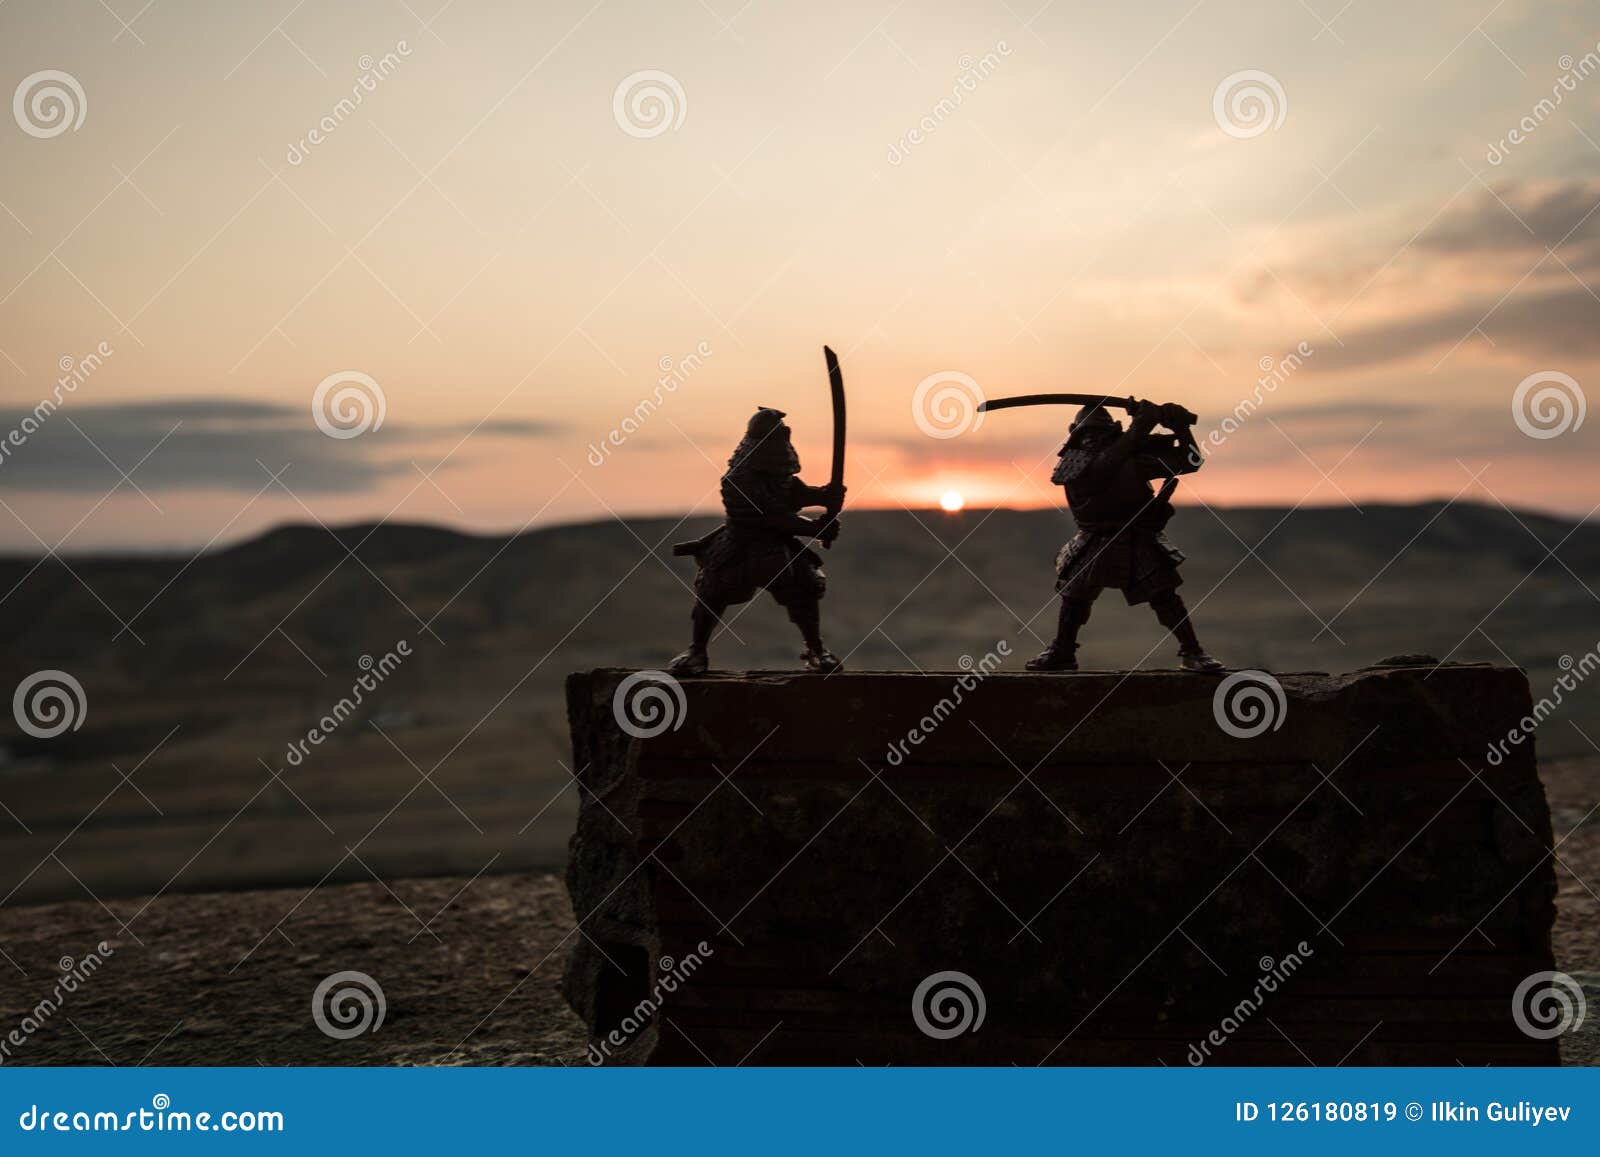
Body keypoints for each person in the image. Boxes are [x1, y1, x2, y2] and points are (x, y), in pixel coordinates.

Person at [1028, 399, 1223, 673]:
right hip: (1093, 541)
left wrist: (1180, 428)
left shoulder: (1133, 459)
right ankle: (1062, 651)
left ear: (1111, 434)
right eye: (1087, 434)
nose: (1092, 440)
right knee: (1074, 598)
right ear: (1076, 435)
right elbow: (1101, 471)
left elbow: (1190, 462)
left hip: (1136, 536)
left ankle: (1192, 652)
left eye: (1099, 433)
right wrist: (1140, 427)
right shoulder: (1074, 466)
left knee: (1164, 596)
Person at [669, 407, 843, 675]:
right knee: (711, 592)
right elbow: (771, 516)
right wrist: (816, 529)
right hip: (739, 545)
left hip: (777, 546)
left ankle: (816, 650)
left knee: (805, 587)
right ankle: (697, 650)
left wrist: (824, 496)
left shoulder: (779, 476)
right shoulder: (737, 481)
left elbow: (795, 495)